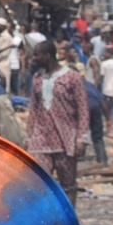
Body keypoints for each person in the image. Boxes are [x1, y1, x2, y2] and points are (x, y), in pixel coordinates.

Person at [26, 40, 87, 194]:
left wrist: (81, 138)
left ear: (47, 55)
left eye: (36, 55)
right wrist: (29, 135)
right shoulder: (37, 78)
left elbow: (83, 109)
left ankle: (69, 218)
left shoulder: (72, 77)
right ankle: (45, 218)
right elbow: (34, 107)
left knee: (68, 185)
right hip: (41, 138)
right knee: (40, 183)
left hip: (65, 138)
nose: (34, 59)